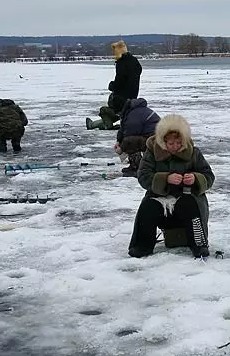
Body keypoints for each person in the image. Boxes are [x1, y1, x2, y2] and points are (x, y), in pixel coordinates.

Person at [129, 114, 214, 259]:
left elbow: (209, 176)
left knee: (191, 205)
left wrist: (195, 178)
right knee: (148, 207)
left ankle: (199, 245)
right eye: (171, 143)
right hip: (158, 198)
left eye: (179, 143)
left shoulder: (194, 152)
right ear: (163, 141)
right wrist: (165, 179)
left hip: (187, 197)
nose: (175, 147)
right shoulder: (152, 153)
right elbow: (143, 177)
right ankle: (141, 246)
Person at [86, 40, 142, 130]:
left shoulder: (122, 63)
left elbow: (120, 81)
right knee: (119, 112)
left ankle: (101, 124)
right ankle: (93, 124)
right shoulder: (134, 61)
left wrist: (112, 85)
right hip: (133, 96)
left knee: (106, 110)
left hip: (121, 98)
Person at [115, 98, 161, 177]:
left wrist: (121, 147)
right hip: (155, 138)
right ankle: (137, 165)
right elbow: (123, 128)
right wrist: (118, 141)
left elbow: (129, 133)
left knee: (128, 142)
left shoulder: (134, 114)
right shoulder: (135, 111)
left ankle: (136, 167)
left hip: (156, 140)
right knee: (130, 140)